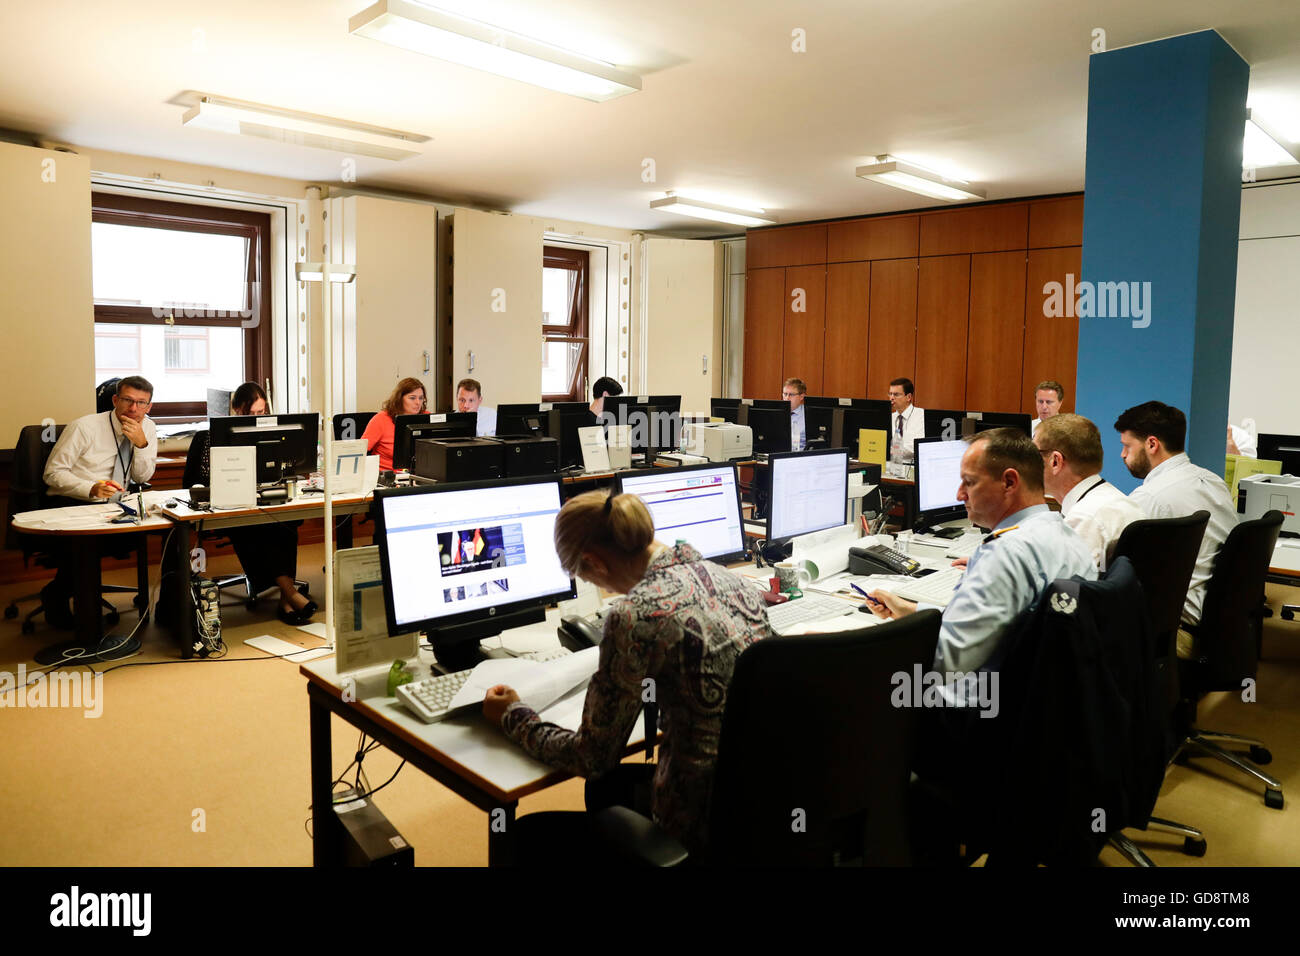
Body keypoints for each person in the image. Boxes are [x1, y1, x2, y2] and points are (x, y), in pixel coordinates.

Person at [482, 490, 773, 855]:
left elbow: (592, 757)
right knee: (607, 789)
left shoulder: (633, 615)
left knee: (524, 835)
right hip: (765, 799)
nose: (599, 588)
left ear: (595, 563)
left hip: (698, 815)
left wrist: (514, 716)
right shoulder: (733, 581)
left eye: (586, 577)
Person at [865, 428, 1096, 705]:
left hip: (976, 709)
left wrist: (848, 647)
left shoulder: (1007, 552)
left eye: (969, 482)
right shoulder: (1066, 536)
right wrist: (914, 612)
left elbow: (946, 662)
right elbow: (1004, 624)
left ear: (1009, 482)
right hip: (1037, 704)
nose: (959, 493)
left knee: (857, 687)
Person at [1114, 401, 1238, 658]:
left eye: (1127, 446)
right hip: (1219, 621)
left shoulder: (1150, 497)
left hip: (1177, 630)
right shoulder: (1213, 481)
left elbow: (1116, 566)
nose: (1122, 455)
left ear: (1151, 444)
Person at [187, 382, 315, 625]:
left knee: (284, 522)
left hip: (264, 499)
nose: (258, 418)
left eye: (262, 412)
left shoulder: (272, 433)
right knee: (257, 526)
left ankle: (286, 600)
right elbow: (200, 481)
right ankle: (290, 595)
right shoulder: (210, 437)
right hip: (228, 507)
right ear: (236, 409)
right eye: (251, 413)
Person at [41, 375, 159, 628]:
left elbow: (142, 476)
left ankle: (167, 608)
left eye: (141, 403)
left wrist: (141, 444)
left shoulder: (148, 427)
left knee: (165, 532)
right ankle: (59, 595)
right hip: (76, 502)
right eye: (127, 400)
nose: (134, 409)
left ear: (149, 406)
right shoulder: (85, 427)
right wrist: (90, 488)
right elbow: (52, 473)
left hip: (117, 505)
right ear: (115, 400)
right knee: (88, 546)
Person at [1034, 413, 1143, 571]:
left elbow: (1064, 589)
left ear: (1055, 461)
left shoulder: (1085, 518)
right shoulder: (1121, 501)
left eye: (1033, 455)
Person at [361, 378, 427, 471]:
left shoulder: (426, 417)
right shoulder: (381, 419)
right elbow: (359, 450)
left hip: (419, 474)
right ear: (400, 398)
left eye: (421, 398)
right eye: (412, 398)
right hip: (388, 476)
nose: (418, 402)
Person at [888, 377, 925, 464]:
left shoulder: (921, 416)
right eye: (890, 394)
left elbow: (915, 447)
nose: (891, 398)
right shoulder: (890, 418)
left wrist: (889, 450)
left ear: (908, 397)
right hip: (890, 466)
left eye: (896, 394)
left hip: (911, 467)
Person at [783, 377, 807, 451]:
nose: (787, 398)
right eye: (785, 394)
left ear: (801, 396)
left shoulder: (807, 415)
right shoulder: (776, 413)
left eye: (791, 395)